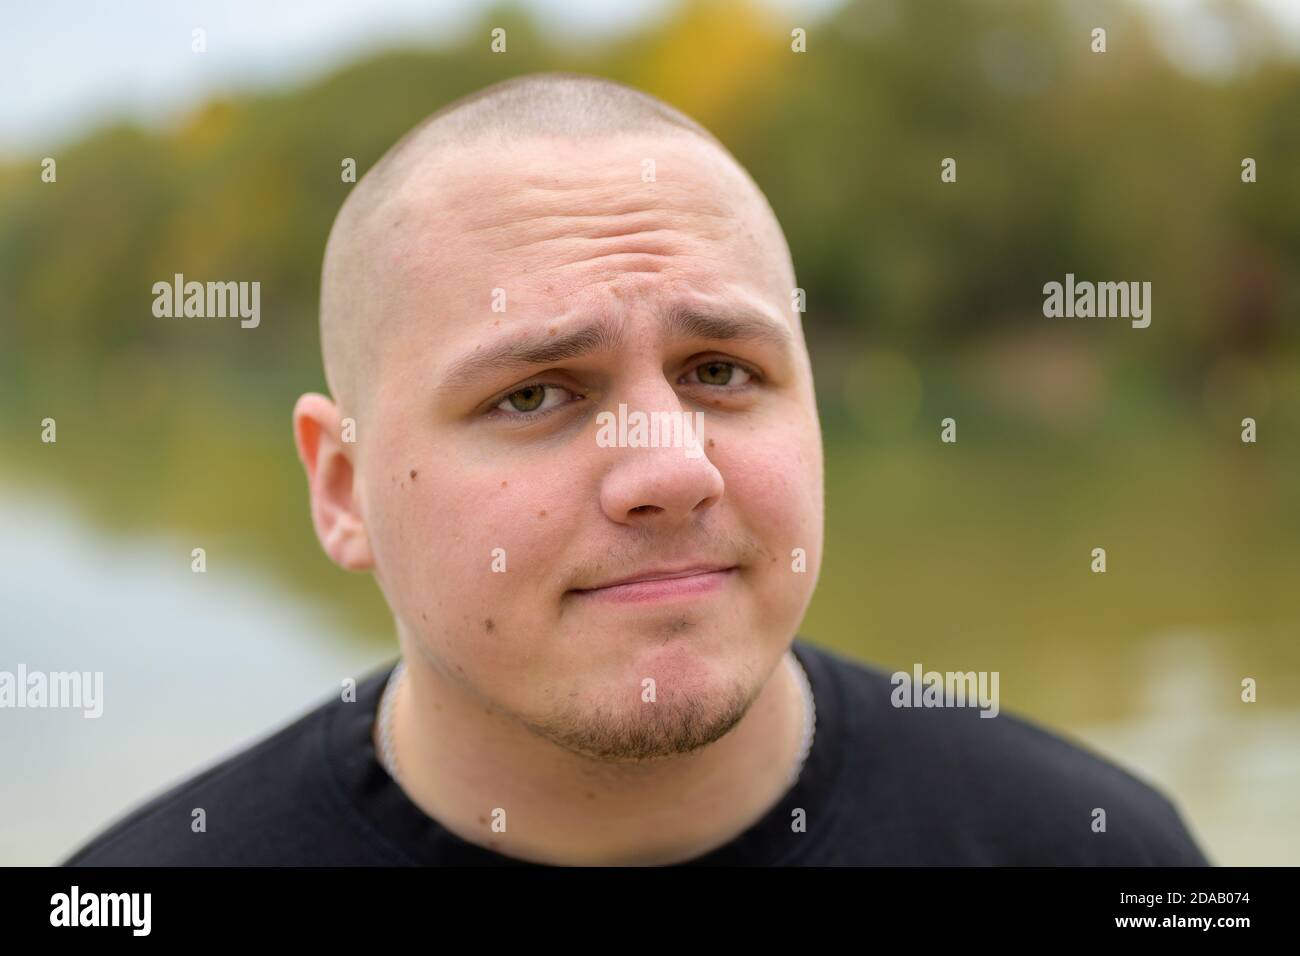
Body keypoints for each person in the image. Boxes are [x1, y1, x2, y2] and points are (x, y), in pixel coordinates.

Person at [61, 72, 1210, 866]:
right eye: (533, 394)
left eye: (721, 371)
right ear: (342, 486)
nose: (669, 468)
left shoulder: (1095, 849)